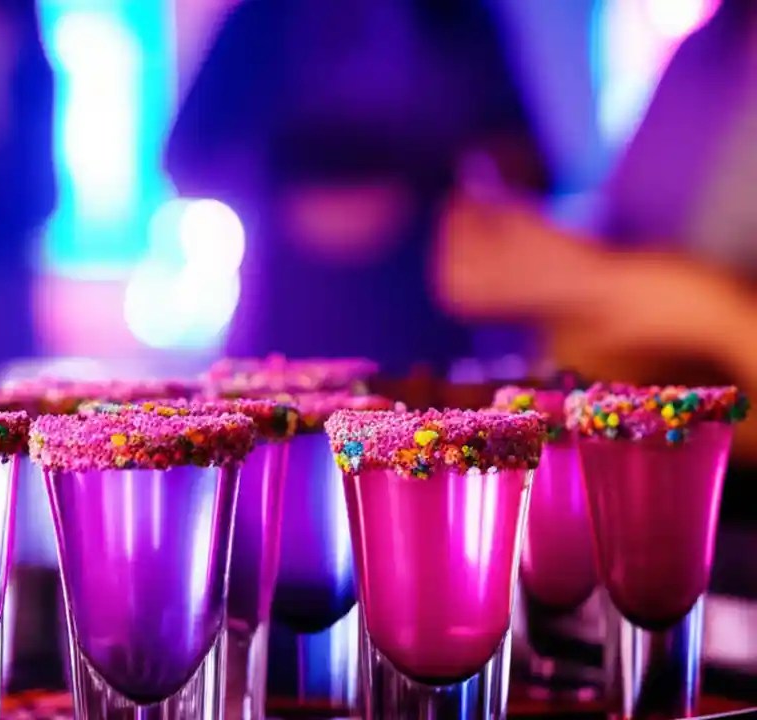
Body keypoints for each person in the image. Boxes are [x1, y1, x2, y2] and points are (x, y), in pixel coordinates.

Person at [436, 0, 757, 462]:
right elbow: (617, 252)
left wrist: (598, 281)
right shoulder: (704, 53)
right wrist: (522, 253)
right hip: (643, 469)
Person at [166, 0, 548, 373]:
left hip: (420, 319)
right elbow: (185, 156)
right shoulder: (260, 17)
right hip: (286, 313)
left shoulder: (455, 16)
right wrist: (292, 190)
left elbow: (527, 163)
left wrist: (468, 180)